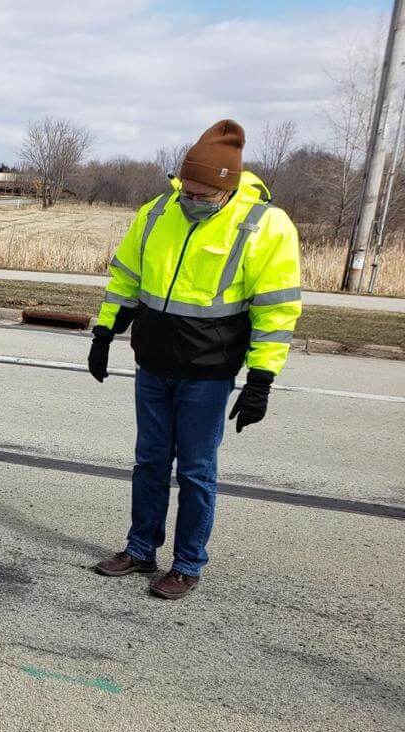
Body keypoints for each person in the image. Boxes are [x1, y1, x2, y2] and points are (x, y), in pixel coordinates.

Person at [88, 120, 301, 600]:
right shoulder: (158, 211)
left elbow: (276, 311)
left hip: (208, 372)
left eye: (204, 194)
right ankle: (140, 549)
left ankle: (187, 564)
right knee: (149, 462)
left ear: (228, 188)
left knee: (196, 471)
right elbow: (126, 277)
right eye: (188, 189)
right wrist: (105, 331)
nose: (192, 199)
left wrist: (261, 380)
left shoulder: (265, 225)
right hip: (153, 362)